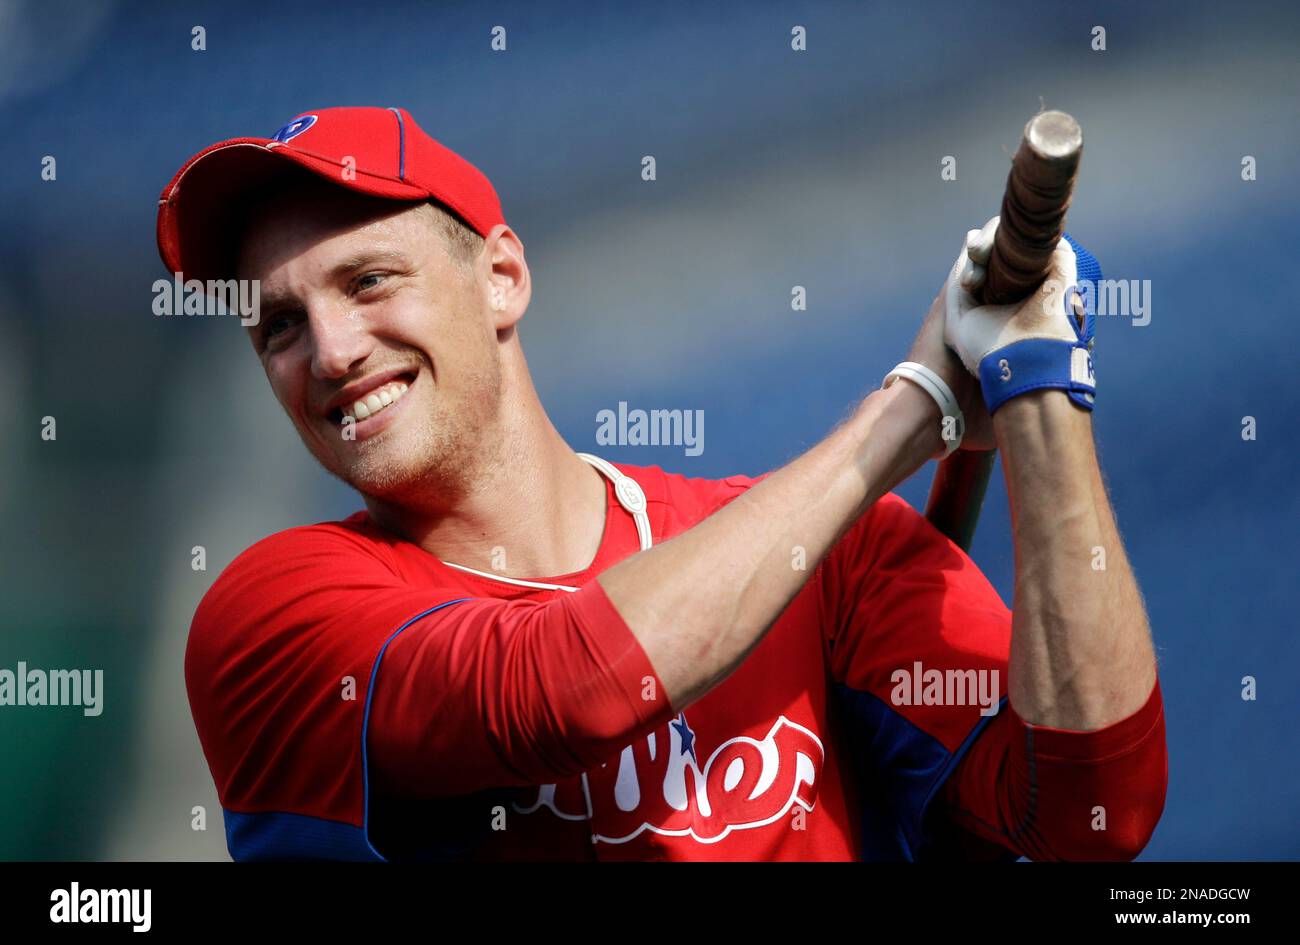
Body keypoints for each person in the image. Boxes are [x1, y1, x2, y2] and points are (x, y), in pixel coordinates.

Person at [159, 106, 1166, 861]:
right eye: (278, 326)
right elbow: (564, 690)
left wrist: (1036, 389)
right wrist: (911, 408)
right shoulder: (272, 617)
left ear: (501, 278)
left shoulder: (842, 558)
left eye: (368, 281)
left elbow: (1093, 810)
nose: (329, 351)